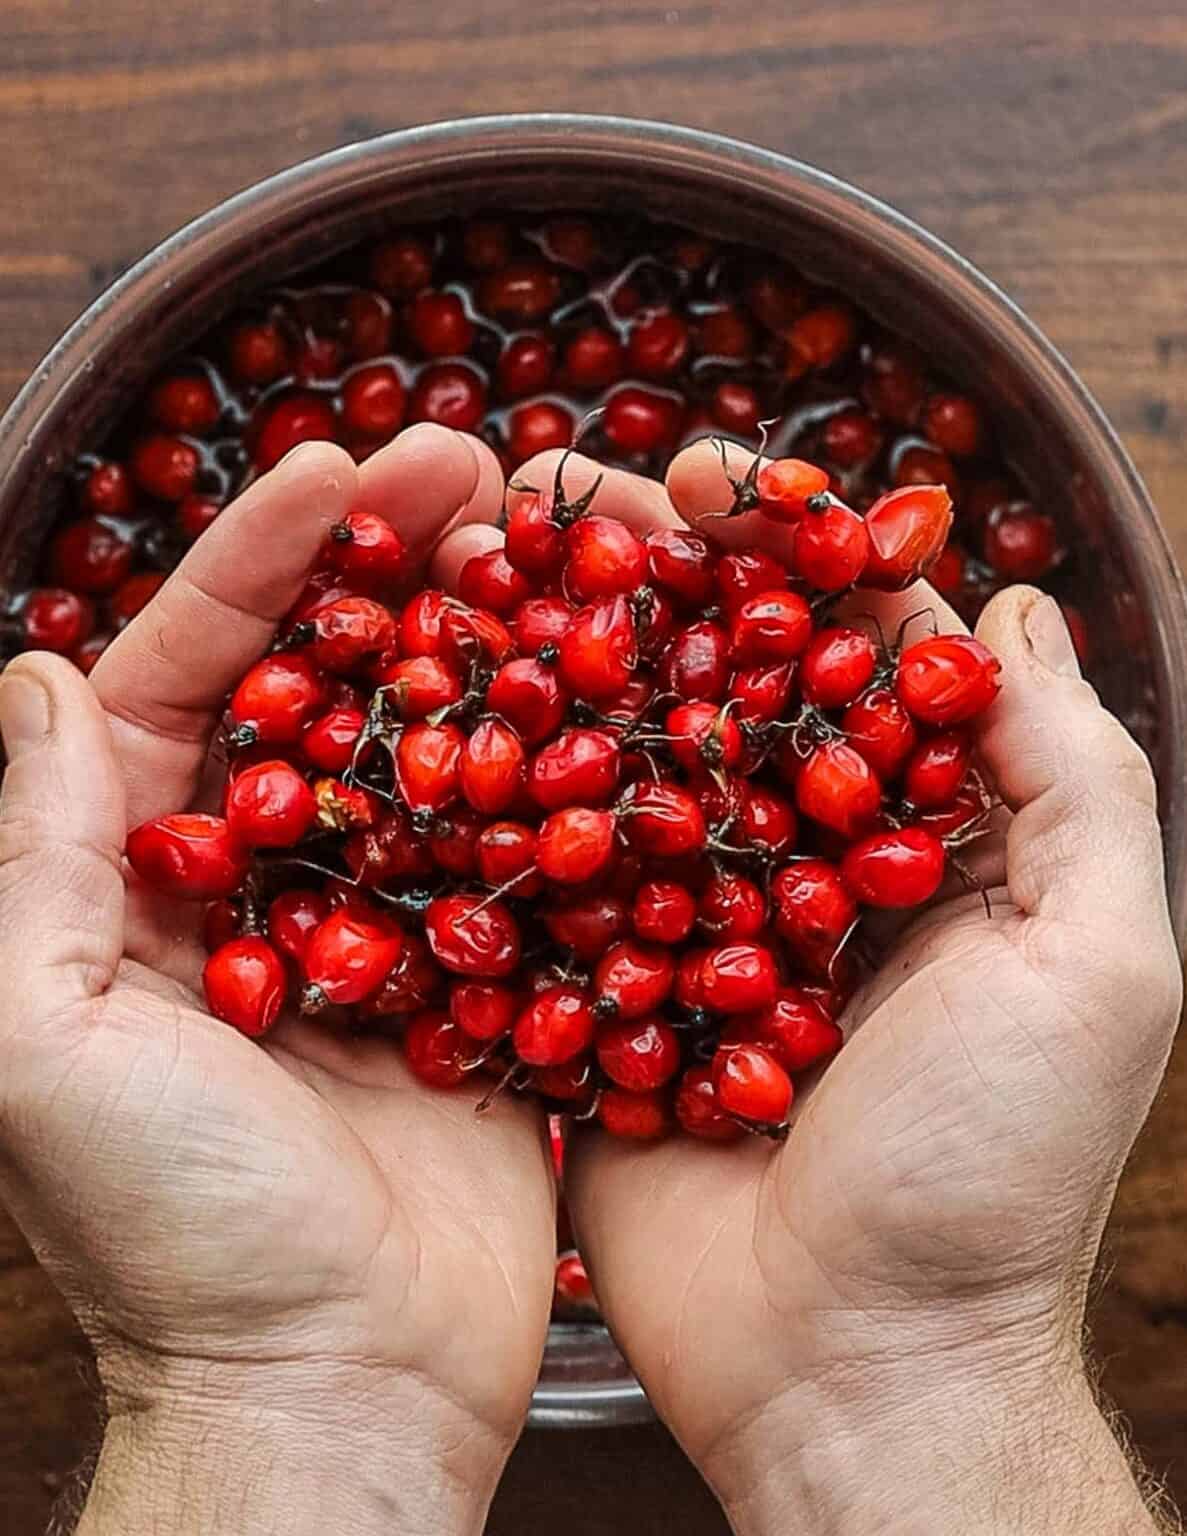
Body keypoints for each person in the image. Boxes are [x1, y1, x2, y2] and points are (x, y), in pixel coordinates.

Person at [0, 424, 1179, 1535]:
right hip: (598, 957)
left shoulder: (586, 804)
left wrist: (272, 1401)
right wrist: (927, 1377)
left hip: (598, 959)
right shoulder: (592, 795)